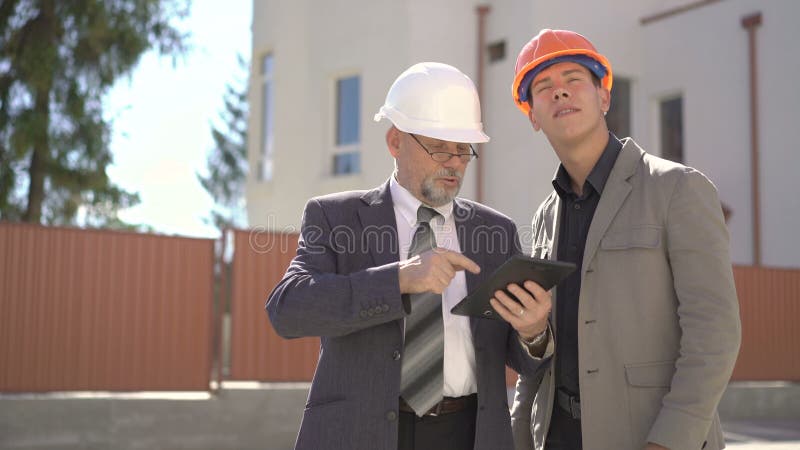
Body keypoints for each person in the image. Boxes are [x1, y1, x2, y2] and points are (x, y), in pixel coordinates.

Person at [266, 62, 553, 450]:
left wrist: (534, 333)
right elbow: (287, 310)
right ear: (395, 142)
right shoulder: (336, 218)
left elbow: (524, 361)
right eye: (438, 148)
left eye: (463, 151)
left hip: (468, 435)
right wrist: (399, 279)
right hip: (359, 435)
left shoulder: (496, 232)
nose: (453, 162)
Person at [507, 29, 741, 450]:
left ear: (604, 97)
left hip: (651, 438)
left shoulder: (677, 189)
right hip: (559, 437)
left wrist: (670, 441)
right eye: (544, 87)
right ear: (532, 116)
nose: (559, 92)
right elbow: (544, 349)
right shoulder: (545, 216)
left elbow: (715, 332)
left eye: (573, 79)